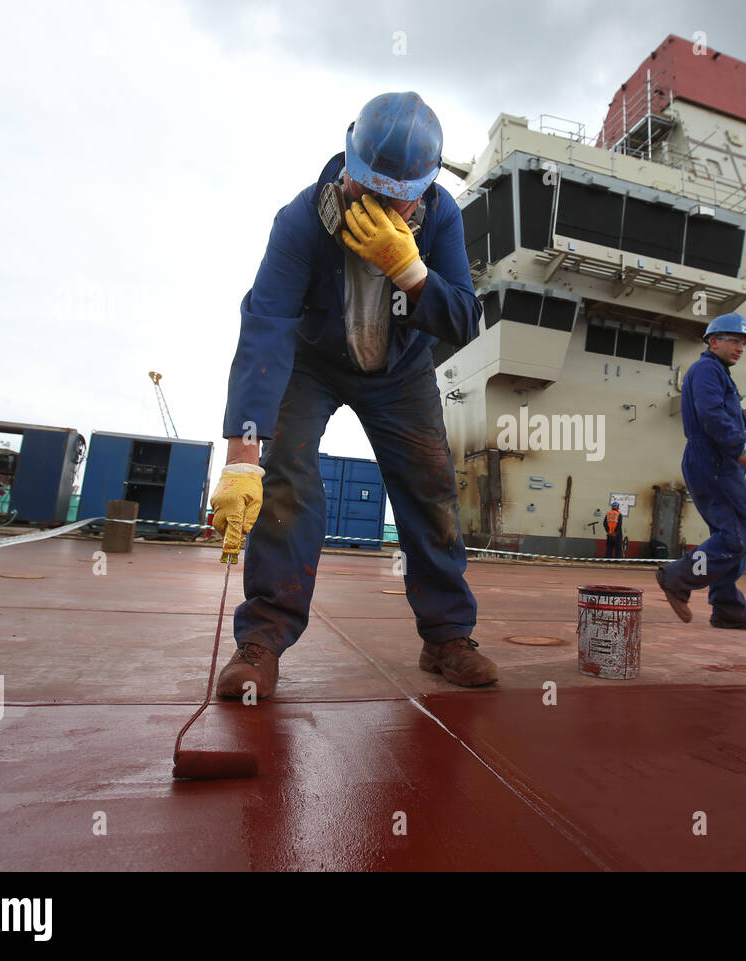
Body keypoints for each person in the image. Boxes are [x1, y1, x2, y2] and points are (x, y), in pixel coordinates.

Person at [208, 91, 498, 697]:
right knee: (285, 477)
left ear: (425, 190)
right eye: (368, 191)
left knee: (430, 489)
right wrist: (241, 457)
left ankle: (446, 635)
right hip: (312, 365)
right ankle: (262, 639)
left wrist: (413, 274)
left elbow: (465, 320)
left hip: (400, 372)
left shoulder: (441, 216)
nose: (382, 207)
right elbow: (266, 327)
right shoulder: (300, 221)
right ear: (349, 169)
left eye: (399, 199)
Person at [653, 313, 746, 629]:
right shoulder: (707, 370)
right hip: (714, 460)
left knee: (731, 536)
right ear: (713, 341)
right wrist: (738, 446)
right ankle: (678, 577)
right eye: (735, 340)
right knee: (737, 537)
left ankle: (727, 607)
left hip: (716, 462)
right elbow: (711, 414)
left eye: (744, 342)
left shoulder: (717, 372)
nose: (741, 347)